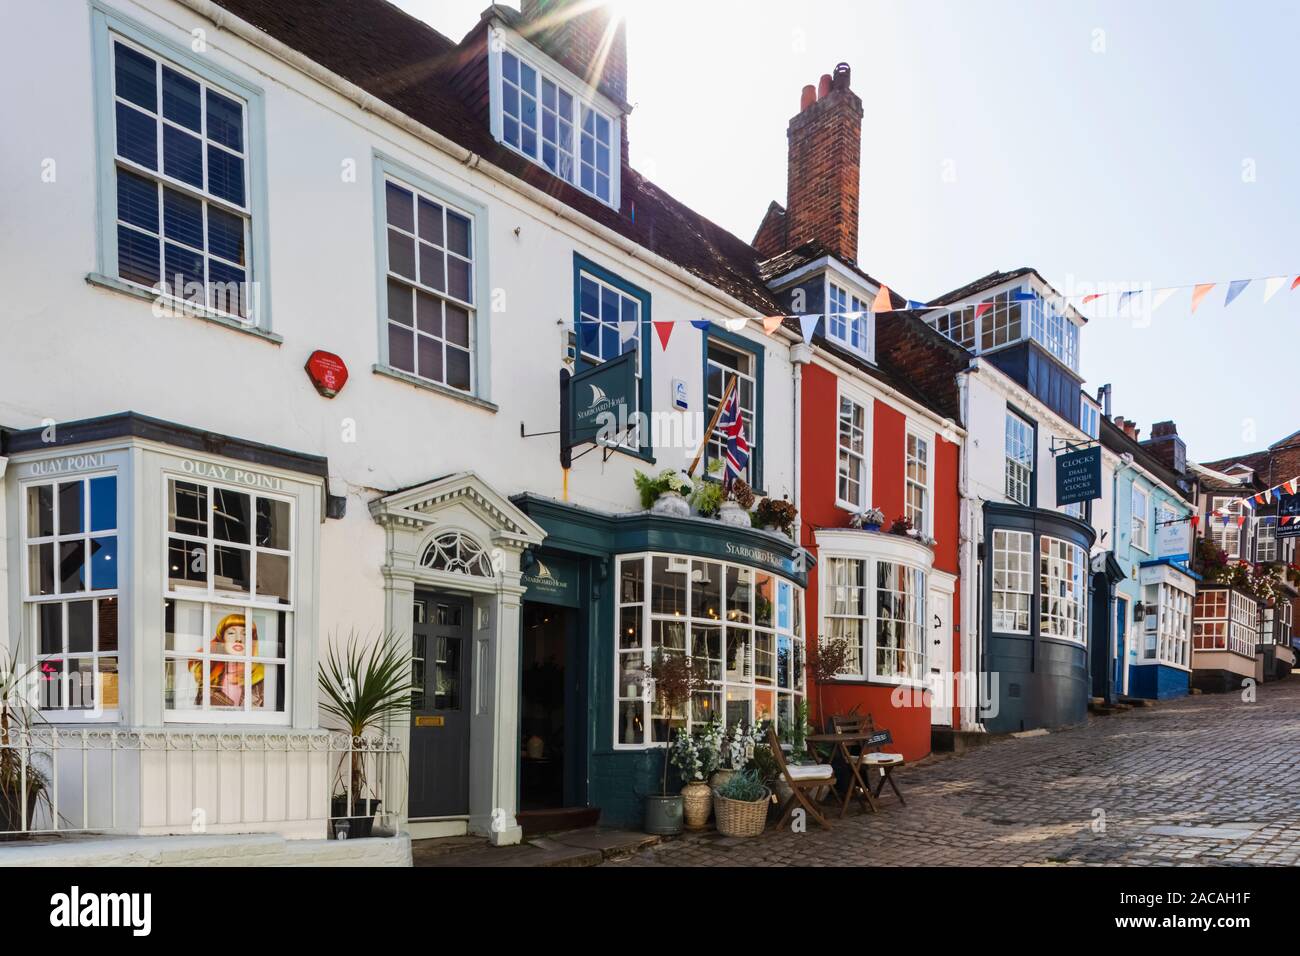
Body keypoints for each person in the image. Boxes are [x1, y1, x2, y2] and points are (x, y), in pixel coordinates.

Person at [190, 613, 265, 708]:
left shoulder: (262, 675)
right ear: (222, 641)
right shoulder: (210, 674)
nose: (238, 639)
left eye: (245, 634)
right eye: (231, 633)